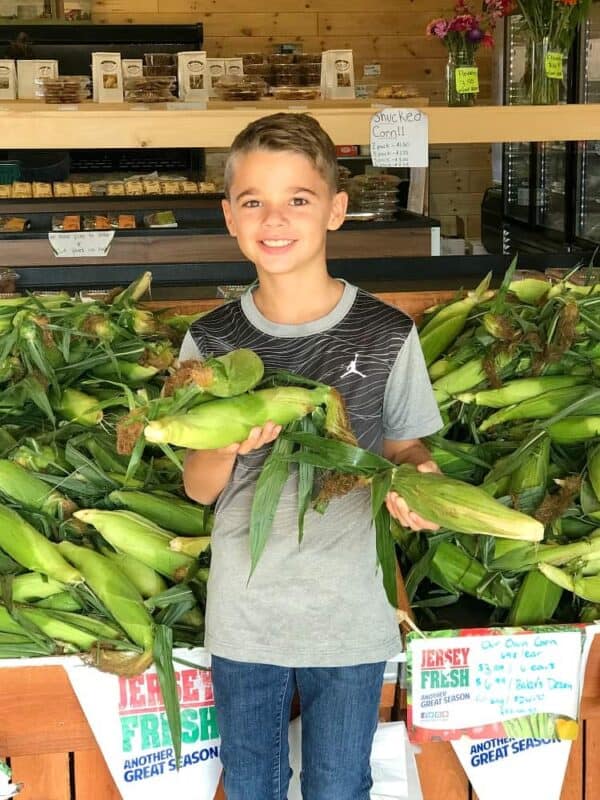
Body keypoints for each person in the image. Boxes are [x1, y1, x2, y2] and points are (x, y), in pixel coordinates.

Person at [180, 112, 443, 800]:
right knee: (252, 787)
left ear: (336, 210)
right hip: (246, 613)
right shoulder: (209, 342)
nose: (275, 218)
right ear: (230, 218)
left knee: (339, 786)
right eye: (253, 201)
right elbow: (199, 490)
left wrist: (420, 485)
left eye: (297, 199)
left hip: (352, 612)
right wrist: (224, 444)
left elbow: (406, 447)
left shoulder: (387, 332)